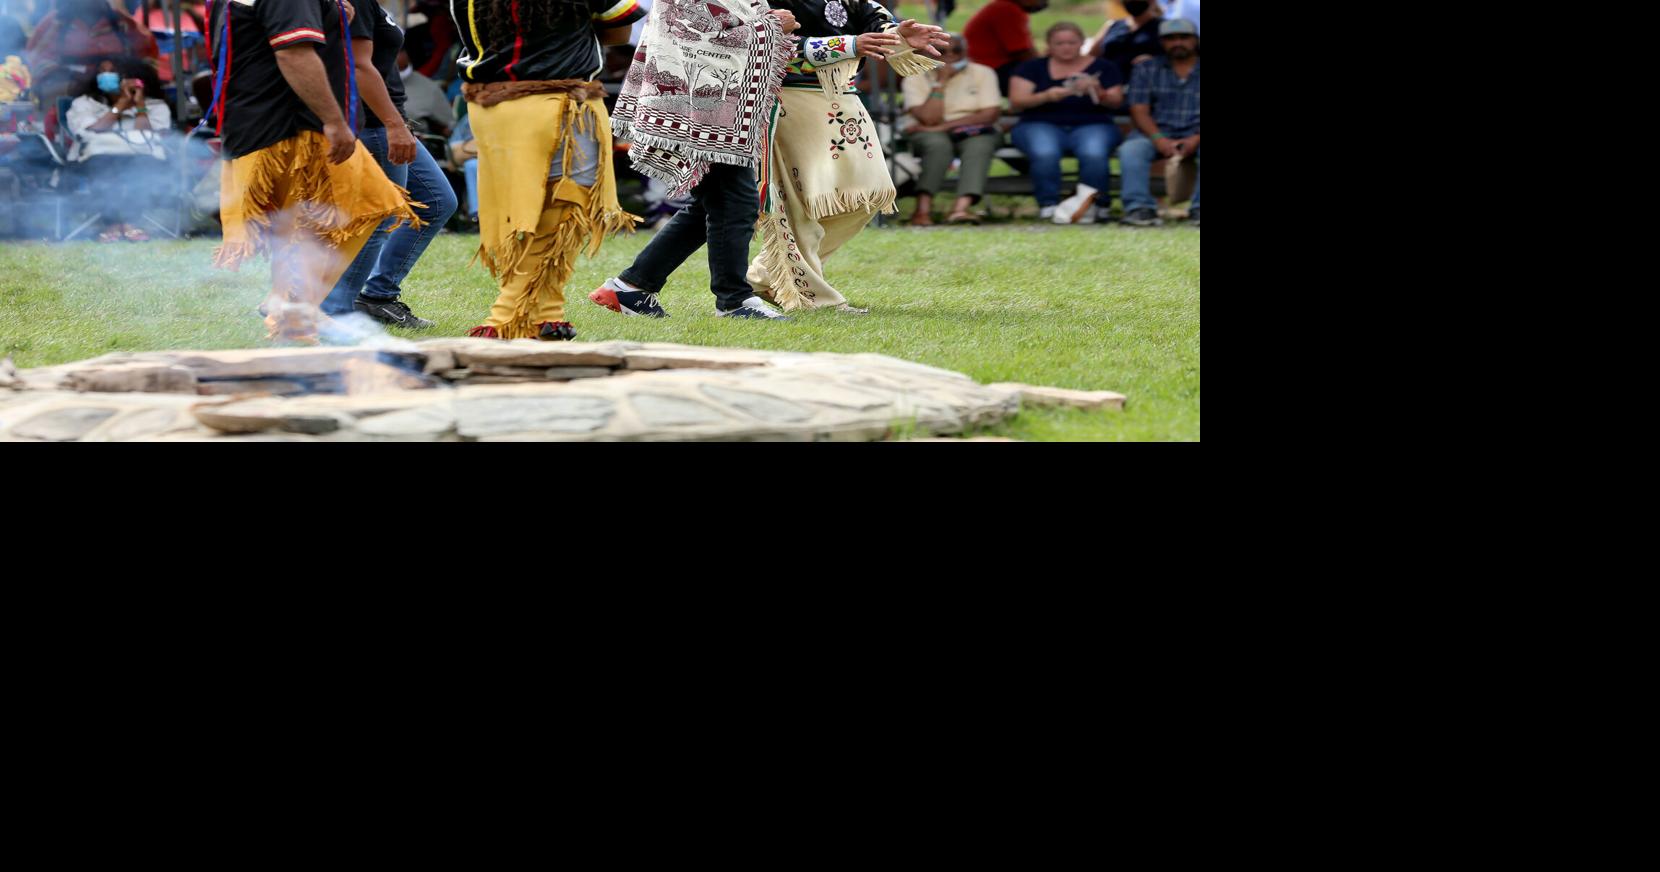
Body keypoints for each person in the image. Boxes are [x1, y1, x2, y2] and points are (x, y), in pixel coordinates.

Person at [208, 0, 421, 344]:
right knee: (331, 214)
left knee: (308, 221)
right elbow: (293, 53)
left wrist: (331, 14)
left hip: (262, 122)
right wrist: (334, 120)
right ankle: (295, 317)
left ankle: (297, 308)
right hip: (291, 128)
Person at [449, 0, 646, 340]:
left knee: (518, 215)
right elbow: (619, 30)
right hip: (557, 103)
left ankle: (546, 315)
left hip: (491, 109)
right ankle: (504, 318)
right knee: (562, 211)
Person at [594, 0, 802, 321]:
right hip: (700, 107)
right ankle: (734, 301)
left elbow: (721, 25)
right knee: (734, 200)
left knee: (716, 202)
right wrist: (771, 26)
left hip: (715, 107)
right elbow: (693, 31)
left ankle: (631, 286)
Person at [742, 0, 948, 313]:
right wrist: (851, 44)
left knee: (865, 193)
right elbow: (765, 40)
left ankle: (769, 275)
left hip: (844, 97)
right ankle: (812, 296)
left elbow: (877, 26)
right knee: (801, 202)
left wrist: (900, 36)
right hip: (789, 99)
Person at [319, 0, 456, 331]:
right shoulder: (358, 3)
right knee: (379, 216)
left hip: (386, 120)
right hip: (374, 123)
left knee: (436, 202)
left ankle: (376, 297)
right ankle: (335, 312)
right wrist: (394, 125)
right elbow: (359, 68)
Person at [1008, 21, 1122, 222]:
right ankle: (1049, 204)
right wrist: (1046, 96)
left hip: (1092, 123)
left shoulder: (1104, 67)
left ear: (1081, 43)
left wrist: (1098, 91)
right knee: (1045, 152)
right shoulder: (1031, 68)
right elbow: (1017, 101)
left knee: (1093, 153)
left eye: (1072, 42)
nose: (1066, 47)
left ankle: (1094, 204)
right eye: (1059, 43)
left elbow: (1117, 101)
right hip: (1040, 122)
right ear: (1049, 45)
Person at [64, 55, 170, 241]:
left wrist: (139, 105)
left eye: (112, 71)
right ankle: (112, 223)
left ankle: (130, 222)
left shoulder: (156, 106)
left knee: (139, 169)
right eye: (102, 72)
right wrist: (120, 104)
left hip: (140, 160)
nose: (105, 75)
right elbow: (95, 129)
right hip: (94, 160)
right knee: (106, 169)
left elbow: (148, 138)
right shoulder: (84, 103)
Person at [901, 33, 998, 226]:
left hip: (973, 129)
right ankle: (922, 210)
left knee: (979, 145)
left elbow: (990, 114)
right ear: (930, 52)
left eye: (957, 50)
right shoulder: (914, 75)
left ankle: (960, 209)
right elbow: (928, 119)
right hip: (927, 131)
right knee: (937, 145)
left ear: (966, 52)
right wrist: (940, 82)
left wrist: (944, 126)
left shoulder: (983, 73)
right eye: (942, 51)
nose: (950, 55)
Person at [1119, 16, 1197, 226]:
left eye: (1184, 37)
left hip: (1197, 132)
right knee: (1131, 150)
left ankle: (1198, 210)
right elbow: (1139, 110)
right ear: (1162, 42)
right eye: (1170, 38)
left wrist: (1196, 138)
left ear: (1195, 40)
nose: (1177, 42)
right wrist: (1158, 138)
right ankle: (1139, 208)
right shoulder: (1146, 69)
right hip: (1155, 131)